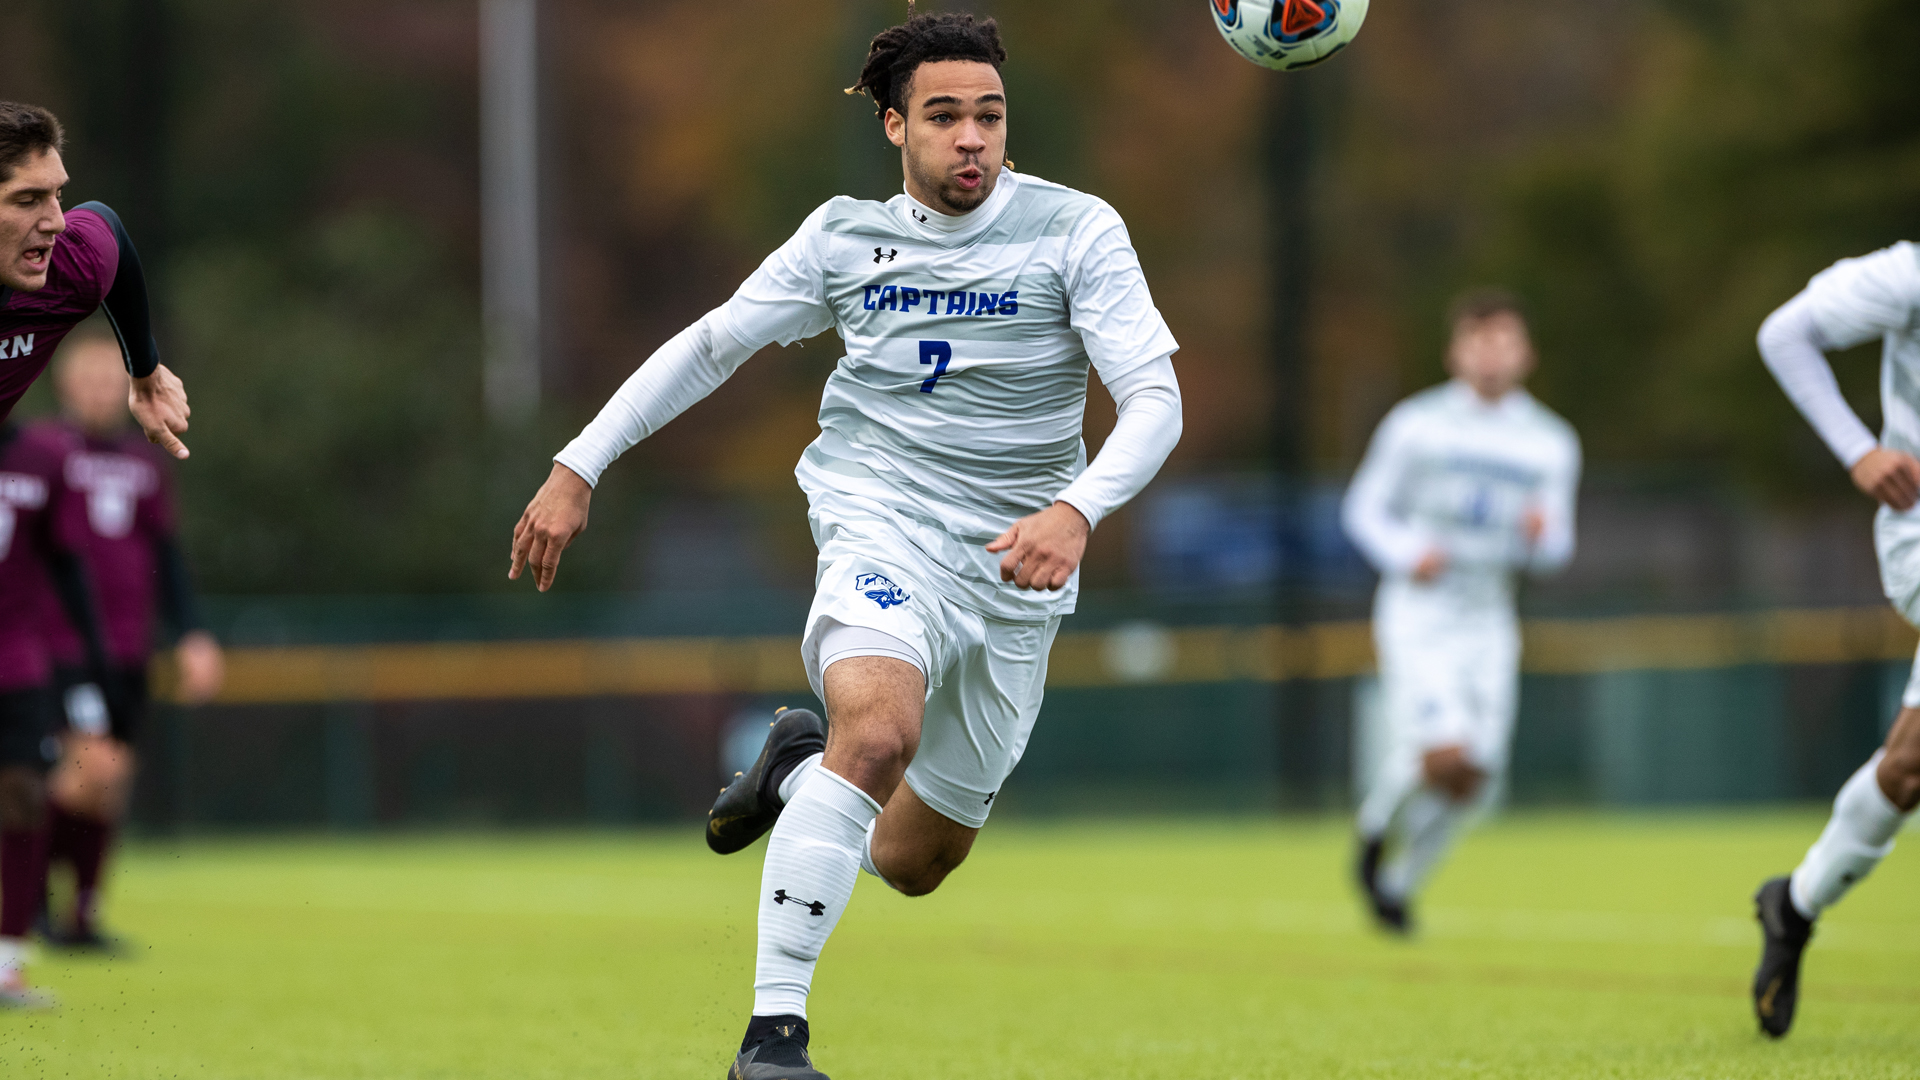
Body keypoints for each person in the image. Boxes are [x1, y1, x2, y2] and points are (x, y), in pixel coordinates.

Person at [509, 13, 1182, 1078]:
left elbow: (1155, 399)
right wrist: (578, 463)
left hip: (1018, 565)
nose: (973, 138)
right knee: (875, 733)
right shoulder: (842, 241)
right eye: (946, 116)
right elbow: (714, 343)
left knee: (914, 862)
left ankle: (789, 776)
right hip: (885, 521)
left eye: (991, 116)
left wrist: (1077, 510)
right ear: (893, 126)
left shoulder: (1076, 231)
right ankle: (773, 1040)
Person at [1343, 290, 1580, 934]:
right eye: (1478, 339)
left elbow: (1557, 550)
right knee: (1444, 748)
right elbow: (1363, 509)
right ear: (1455, 352)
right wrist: (1406, 551)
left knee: (1480, 771)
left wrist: (1540, 535)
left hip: (1489, 616)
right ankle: (1373, 836)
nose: (1491, 352)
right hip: (1421, 611)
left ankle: (1396, 882)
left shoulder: (1550, 442)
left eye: (1504, 339)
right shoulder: (1416, 424)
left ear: (1526, 353)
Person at [1750, 240, 1920, 1038]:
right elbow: (1784, 334)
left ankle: (1796, 902)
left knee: (1910, 766)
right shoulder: (1910, 275)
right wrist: (1859, 451)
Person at [33, 329, 223, 950]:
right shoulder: (43, 453)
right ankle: (29, 896)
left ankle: (81, 918)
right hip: (63, 646)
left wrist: (191, 633)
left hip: (128, 648)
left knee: (112, 782)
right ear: (65, 386)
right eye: (88, 381)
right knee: (92, 769)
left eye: (110, 382)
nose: (99, 393)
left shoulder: (145, 461)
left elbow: (165, 556)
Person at [0, 101, 191, 456]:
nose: (56, 222)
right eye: (28, 200)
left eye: (57, 196)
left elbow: (109, 230)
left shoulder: (70, 266)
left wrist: (144, 371)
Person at [0, 416, 113, 1008]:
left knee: (22, 800)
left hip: (15, 663)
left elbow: (66, 561)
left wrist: (96, 653)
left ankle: (6, 963)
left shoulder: (43, 459)